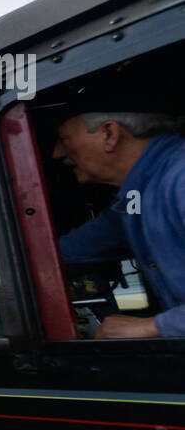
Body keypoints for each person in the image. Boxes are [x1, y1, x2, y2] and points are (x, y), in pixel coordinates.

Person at [52, 110, 185, 338]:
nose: (57, 153)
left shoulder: (179, 179)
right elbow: (62, 255)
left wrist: (152, 327)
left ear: (109, 134)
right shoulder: (136, 199)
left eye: (64, 139)